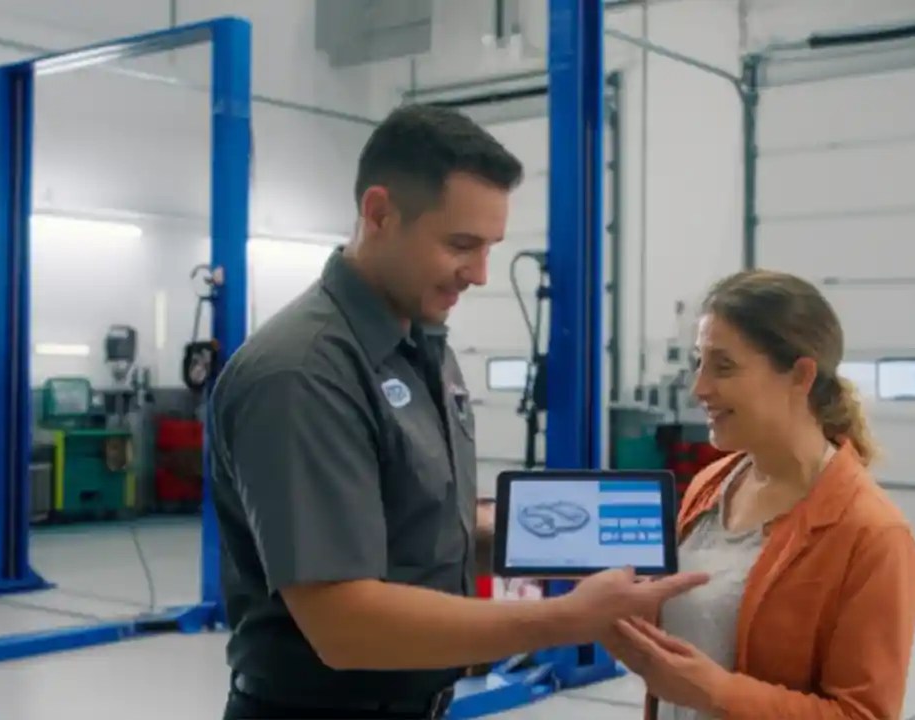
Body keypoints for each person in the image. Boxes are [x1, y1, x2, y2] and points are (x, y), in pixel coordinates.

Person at [208, 103, 709, 720]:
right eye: (461, 245)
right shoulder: (304, 373)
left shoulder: (419, 343)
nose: (479, 273)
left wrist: (582, 535)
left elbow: (416, 527)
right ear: (379, 213)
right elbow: (342, 622)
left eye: (491, 247)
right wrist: (563, 619)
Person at [603, 270, 915, 720]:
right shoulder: (710, 487)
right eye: (698, 362)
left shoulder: (873, 536)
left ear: (800, 375)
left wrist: (718, 693)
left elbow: (861, 715)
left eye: (723, 366)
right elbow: (690, 645)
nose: (699, 388)